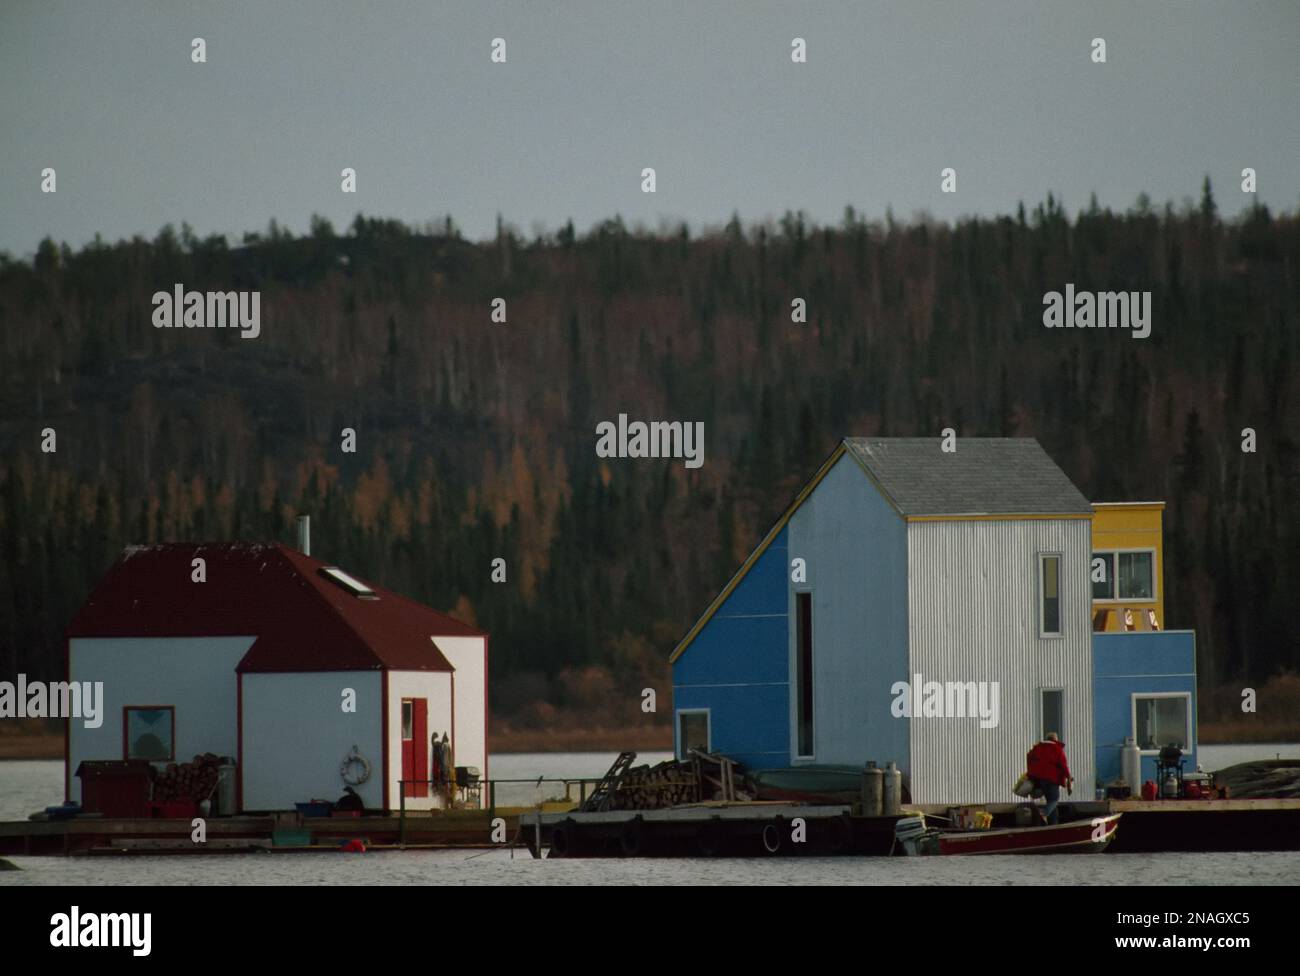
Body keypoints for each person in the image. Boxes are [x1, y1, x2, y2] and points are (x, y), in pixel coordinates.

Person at [1026, 732, 1073, 825]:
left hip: (1038, 779)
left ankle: (1053, 824)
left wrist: (1031, 773)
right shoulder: (1057, 749)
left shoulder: (1037, 748)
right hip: (1052, 779)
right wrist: (1069, 776)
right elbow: (1063, 765)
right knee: (1054, 800)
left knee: (1050, 802)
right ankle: (1043, 813)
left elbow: (1029, 757)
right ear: (1055, 739)